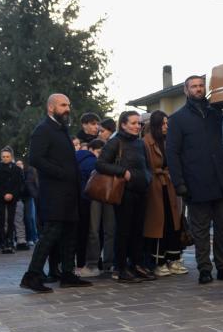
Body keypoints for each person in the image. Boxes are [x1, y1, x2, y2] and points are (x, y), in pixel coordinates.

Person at [167, 75, 223, 284]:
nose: (198, 89)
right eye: (194, 86)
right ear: (186, 90)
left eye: (200, 86)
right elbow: (172, 153)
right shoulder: (178, 119)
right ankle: (204, 269)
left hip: (222, 181)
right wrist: (179, 183)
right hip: (195, 182)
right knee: (200, 230)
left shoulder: (216, 114)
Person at [20, 94, 92, 293]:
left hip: (70, 192)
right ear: (51, 107)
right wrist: (60, 173)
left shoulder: (62, 129)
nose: (67, 108)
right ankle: (32, 276)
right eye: (63, 105)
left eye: (68, 105)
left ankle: (68, 274)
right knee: (50, 235)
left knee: (70, 234)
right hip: (54, 192)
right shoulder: (43, 129)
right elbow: (35, 158)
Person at [98, 111, 153, 283]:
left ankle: (136, 264)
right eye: (134, 123)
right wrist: (123, 172)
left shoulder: (140, 143)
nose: (138, 126)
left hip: (141, 191)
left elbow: (147, 166)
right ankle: (120, 268)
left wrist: (148, 178)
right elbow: (100, 164)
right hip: (124, 192)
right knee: (123, 231)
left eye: (139, 123)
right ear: (123, 124)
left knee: (138, 230)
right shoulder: (115, 141)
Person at [143, 111, 186, 276]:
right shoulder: (146, 142)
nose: (166, 126)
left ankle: (173, 259)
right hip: (155, 186)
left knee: (173, 223)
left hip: (169, 186)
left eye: (167, 123)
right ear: (156, 125)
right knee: (158, 224)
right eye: (163, 123)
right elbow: (147, 166)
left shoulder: (169, 141)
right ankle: (158, 262)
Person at [75, 138, 104, 276]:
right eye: (99, 152)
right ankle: (89, 263)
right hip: (89, 200)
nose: (100, 155)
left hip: (77, 200)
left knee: (81, 233)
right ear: (91, 150)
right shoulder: (92, 162)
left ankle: (80, 263)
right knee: (91, 232)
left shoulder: (77, 159)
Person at [0, 148, 24, 254]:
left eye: (7, 156)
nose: (5, 158)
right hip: (0, 198)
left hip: (13, 198)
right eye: (3, 157)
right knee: (2, 220)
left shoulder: (17, 169)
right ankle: (4, 242)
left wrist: (12, 194)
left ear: (11, 157)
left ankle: (10, 241)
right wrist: (4, 194)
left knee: (11, 220)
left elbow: (19, 184)